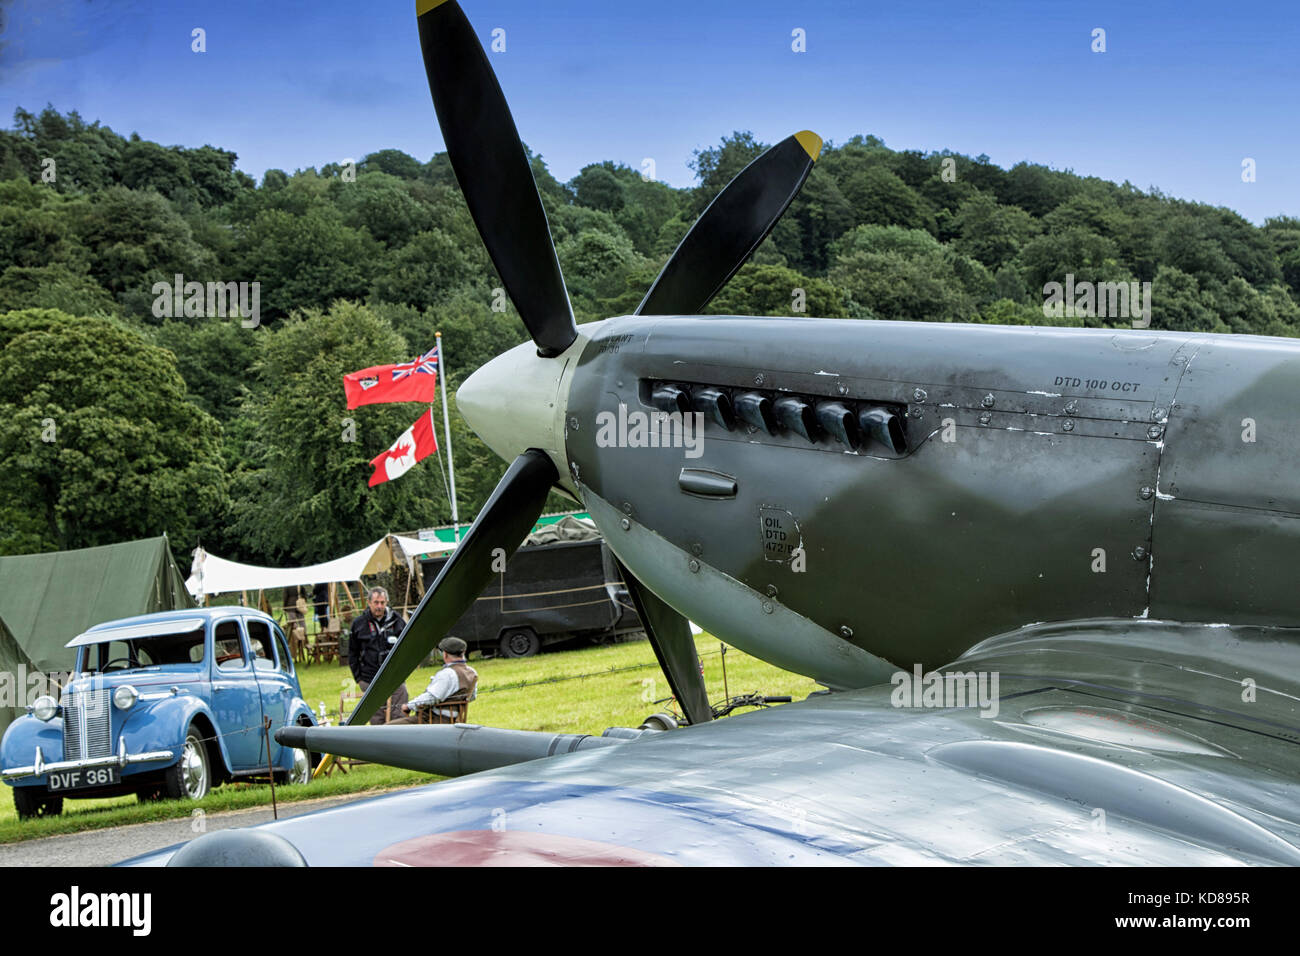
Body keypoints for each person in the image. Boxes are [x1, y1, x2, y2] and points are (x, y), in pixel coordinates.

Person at [348, 586, 408, 724]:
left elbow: (406, 647)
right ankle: (379, 742)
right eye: (376, 603)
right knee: (376, 717)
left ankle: (399, 741)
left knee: (400, 713)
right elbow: (352, 653)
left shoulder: (397, 621)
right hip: (369, 677)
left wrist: (402, 672)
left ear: (386, 602)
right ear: (369, 603)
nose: (379, 606)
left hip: (394, 676)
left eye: (382, 602)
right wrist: (358, 678)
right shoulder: (359, 624)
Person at [392, 637, 478, 723]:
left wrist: (409, 706)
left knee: (389, 728)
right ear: (463, 652)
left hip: (433, 720)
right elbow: (472, 697)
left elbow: (431, 698)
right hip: (454, 720)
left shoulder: (447, 674)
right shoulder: (472, 672)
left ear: (445, 654)